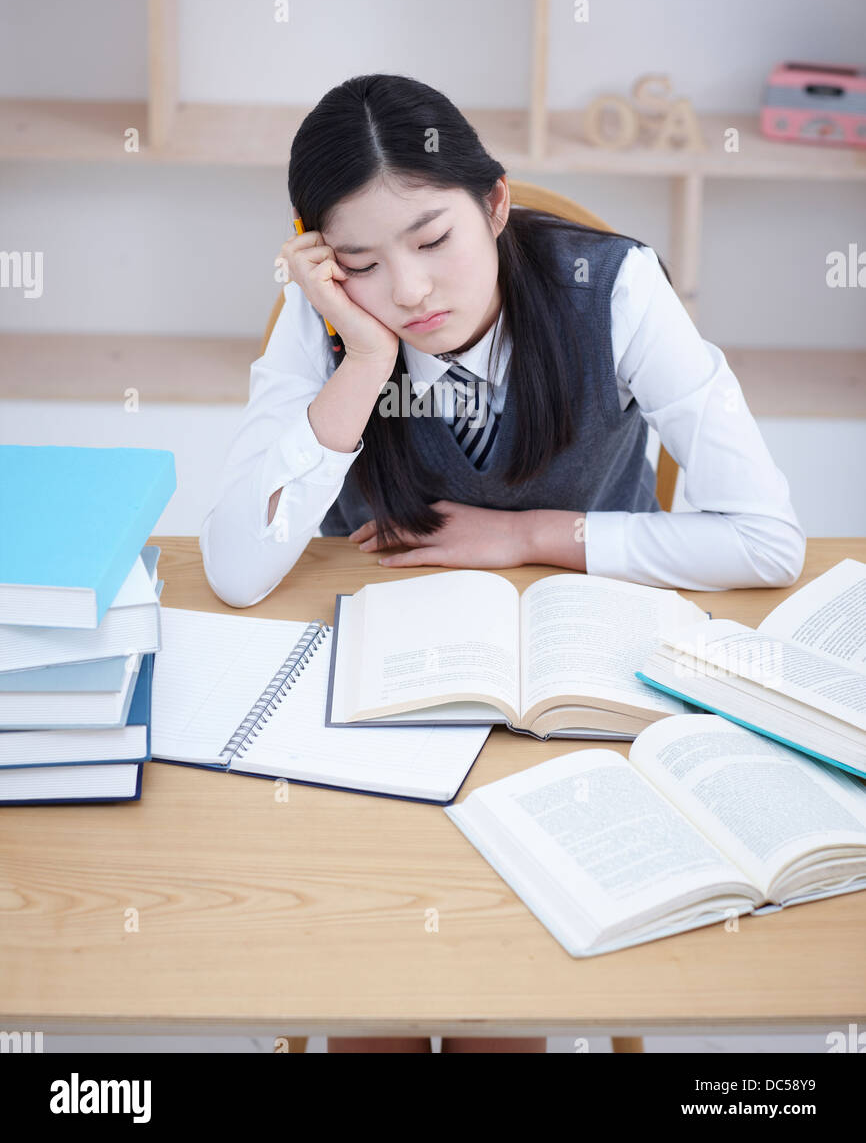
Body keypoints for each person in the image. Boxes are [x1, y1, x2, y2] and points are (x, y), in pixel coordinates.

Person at [200, 73, 806, 1053]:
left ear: (493, 203)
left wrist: (532, 535)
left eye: (433, 240)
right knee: (376, 1003)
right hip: (386, 705)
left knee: (505, 1001)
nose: (407, 291)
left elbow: (765, 538)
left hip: (579, 699)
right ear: (321, 262)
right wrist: (358, 360)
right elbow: (234, 569)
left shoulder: (611, 288)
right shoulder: (326, 321)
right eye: (359, 260)